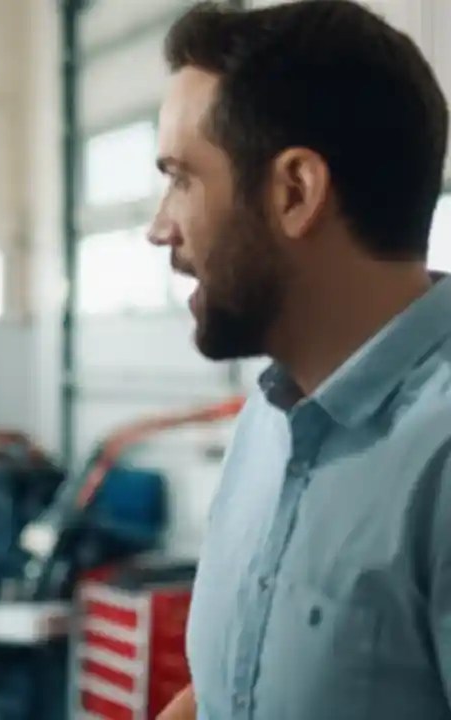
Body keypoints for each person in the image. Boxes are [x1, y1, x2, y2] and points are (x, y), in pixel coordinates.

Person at [146, 1, 451, 719]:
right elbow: (236, 692)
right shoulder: (269, 422)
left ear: (295, 192)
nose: (161, 228)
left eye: (183, 179)